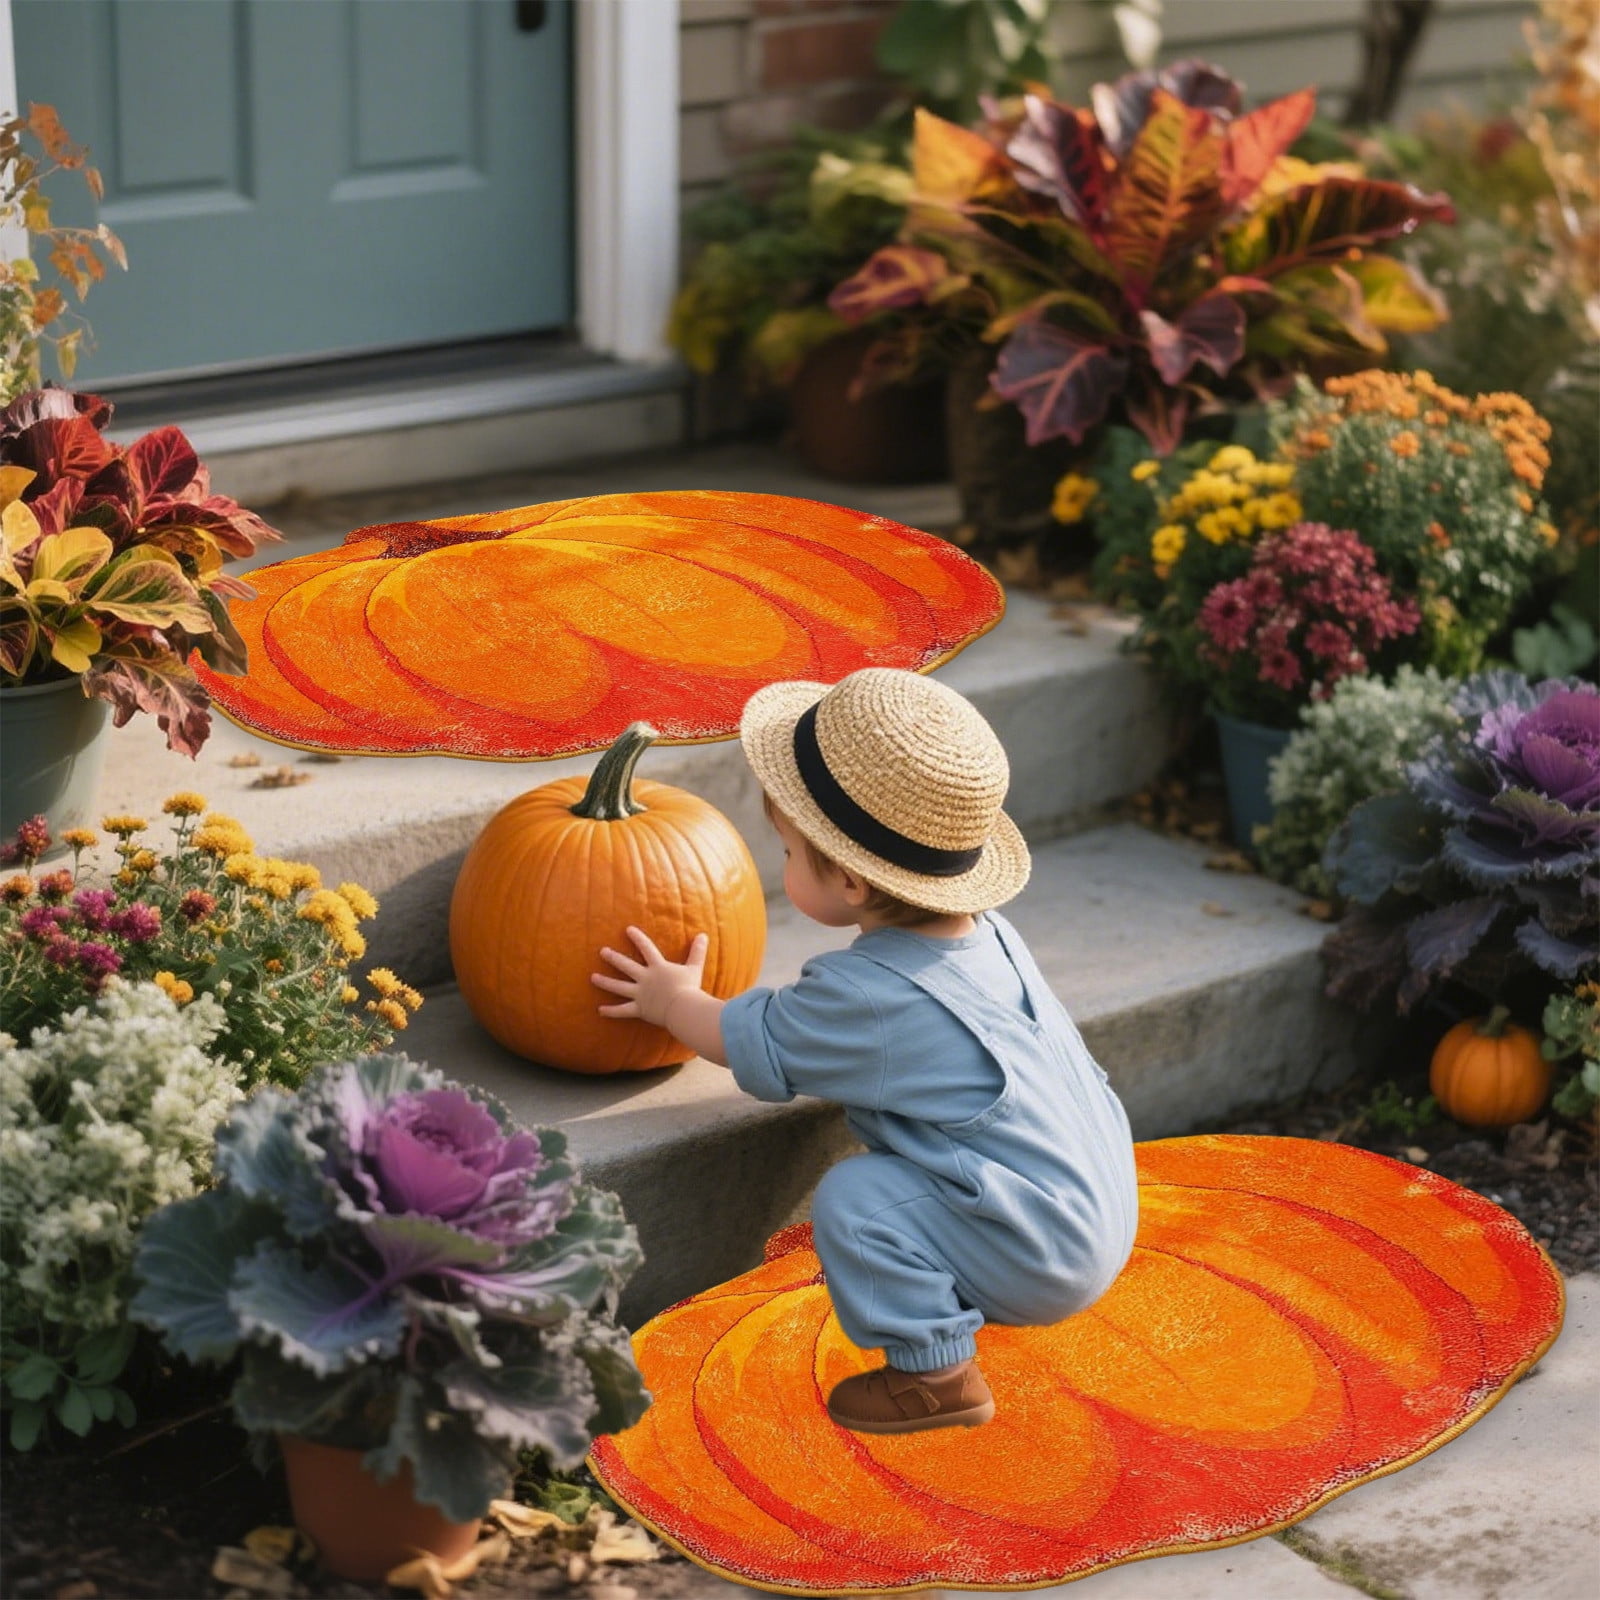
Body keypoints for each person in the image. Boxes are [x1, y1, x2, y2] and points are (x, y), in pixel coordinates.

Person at [591, 667, 1139, 1436]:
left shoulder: (869, 995)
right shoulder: (991, 935)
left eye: (785, 852)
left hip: (1042, 1252)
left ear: (849, 881)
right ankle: (965, 1285)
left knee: (858, 1200)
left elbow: (756, 1044)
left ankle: (935, 1379)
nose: (779, 866)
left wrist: (672, 1001)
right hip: (1098, 1202)